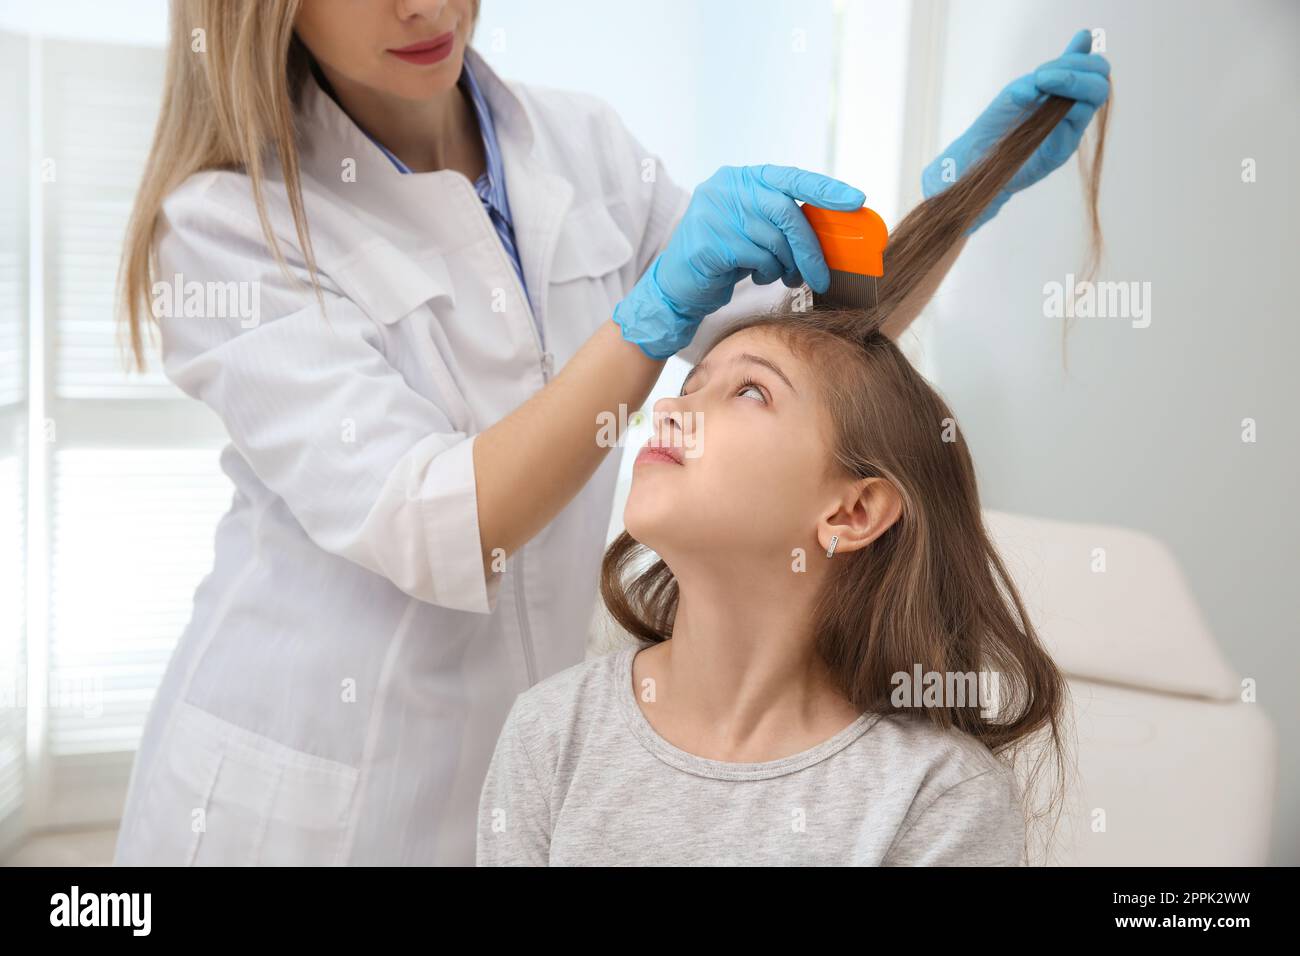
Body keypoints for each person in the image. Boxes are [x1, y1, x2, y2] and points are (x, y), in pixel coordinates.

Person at [113, 0, 1110, 866]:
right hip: (298, 790)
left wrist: (964, 193)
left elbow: (812, 351)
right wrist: (653, 318)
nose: (425, 8)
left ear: (855, 508)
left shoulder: (580, 145)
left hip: (506, 763)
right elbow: (437, 523)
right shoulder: (228, 227)